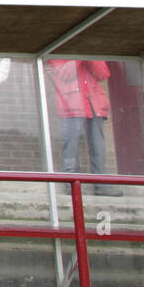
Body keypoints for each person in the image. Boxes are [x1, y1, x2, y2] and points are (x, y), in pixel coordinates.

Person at [49, 60, 118, 196]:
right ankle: (71, 182)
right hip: (71, 105)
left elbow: (103, 74)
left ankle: (101, 183)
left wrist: (90, 57)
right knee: (71, 145)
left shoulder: (87, 55)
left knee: (98, 146)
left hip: (94, 105)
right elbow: (65, 74)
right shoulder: (59, 54)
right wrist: (79, 56)